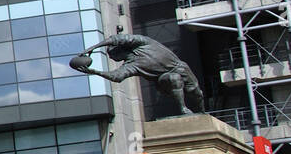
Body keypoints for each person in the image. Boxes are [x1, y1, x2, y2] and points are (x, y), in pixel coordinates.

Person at [70, 32, 204, 115]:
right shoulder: (132, 65)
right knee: (174, 79)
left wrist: (92, 47)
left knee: (197, 93)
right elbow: (116, 76)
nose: (111, 57)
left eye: (111, 54)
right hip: (164, 78)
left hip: (180, 67)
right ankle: (183, 108)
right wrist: (94, 71)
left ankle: (202, 113)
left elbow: (116, 38)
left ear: (119, 50)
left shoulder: (142, 43)